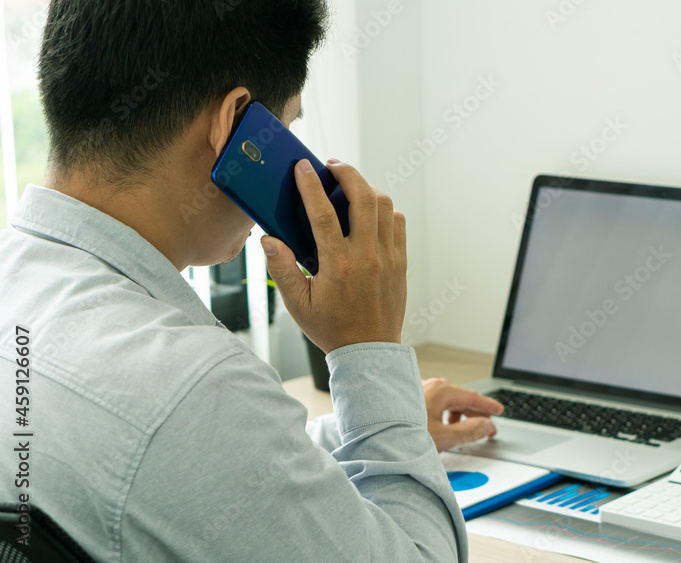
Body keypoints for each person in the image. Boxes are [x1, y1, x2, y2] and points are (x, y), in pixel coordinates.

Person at [0, 0, 502, 561]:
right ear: (234, 120)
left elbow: (173, 469)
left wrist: (378, 423)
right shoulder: (194, 387)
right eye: (287, 126)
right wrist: (371, 353)